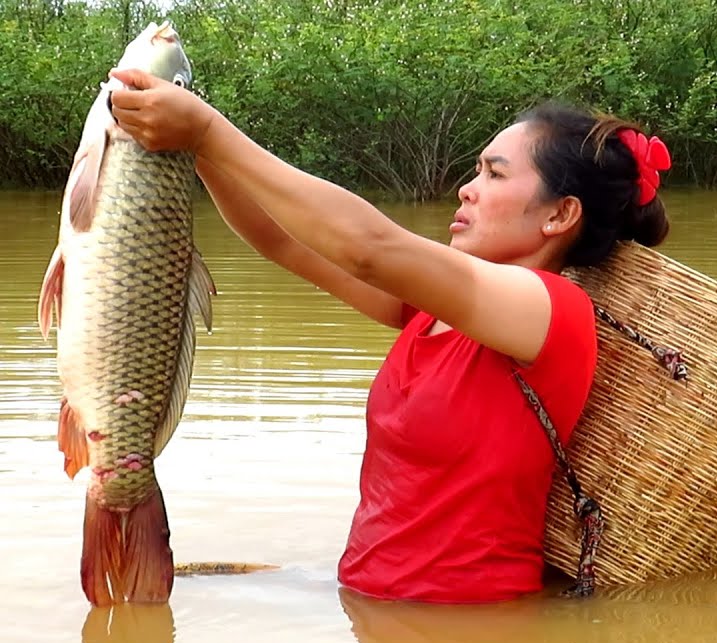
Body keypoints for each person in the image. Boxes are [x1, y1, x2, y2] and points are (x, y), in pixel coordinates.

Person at [106, 68, 672, 604]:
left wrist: (209, 128)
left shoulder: (550, 308)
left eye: (495, 174)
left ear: (560, 215)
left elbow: (369, 249)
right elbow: (281, 241)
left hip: (466, 642)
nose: (466, 190)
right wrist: (197, 152)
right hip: (375, 613)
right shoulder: (431, 312)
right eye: (476, 171)